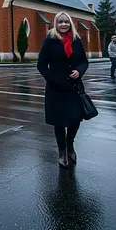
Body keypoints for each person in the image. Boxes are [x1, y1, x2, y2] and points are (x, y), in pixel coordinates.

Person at [37, 11, 89, 169]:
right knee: (59, 122)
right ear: (55, 24)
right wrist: (52, 79)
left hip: (74, 87)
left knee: (75, 119)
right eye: (60, 22)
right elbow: (41, 65)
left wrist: (79, 71)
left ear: (70, 23)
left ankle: (70, 145)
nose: (63, 24)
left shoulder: (76, 40)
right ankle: (62, 152)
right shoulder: (50, 40)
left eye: (66, 22)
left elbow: (84, 61)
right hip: (56, 88)